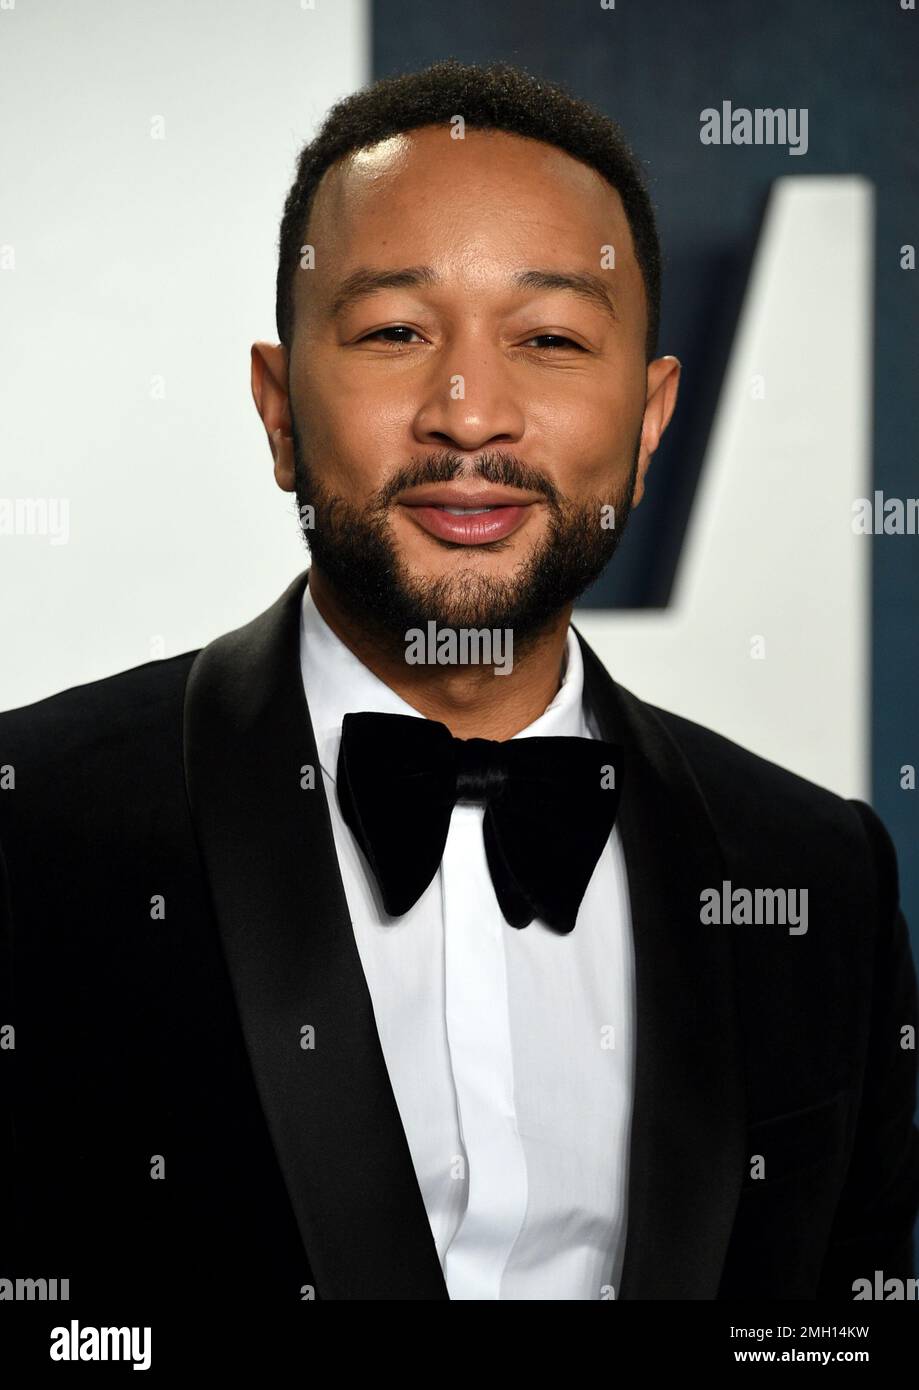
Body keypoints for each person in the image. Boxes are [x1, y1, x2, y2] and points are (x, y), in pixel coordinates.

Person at [2, 60, 917, 1313]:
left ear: (650, 423)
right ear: (278, 411)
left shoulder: (818, 875)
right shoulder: (32, 831)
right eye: (394, 332)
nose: (469, 414)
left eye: (548, 339)